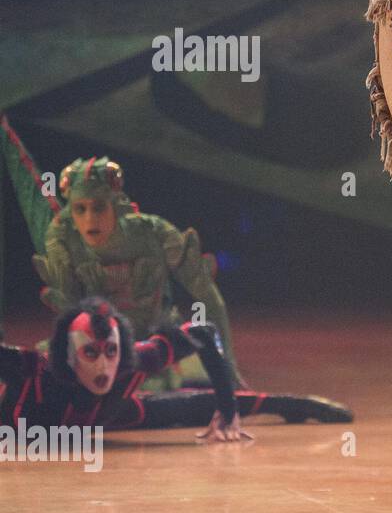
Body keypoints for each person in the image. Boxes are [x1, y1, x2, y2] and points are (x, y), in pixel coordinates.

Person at [33, 156, 245, 385]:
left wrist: (227, 367)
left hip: (161, 347)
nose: (90, 219)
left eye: (99, 207)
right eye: (80, 209)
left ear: (115, 205)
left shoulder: (155, 233)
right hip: (104, 353)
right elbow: (71, 316)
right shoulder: (64, 243)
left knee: (194, 374)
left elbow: (207, 295)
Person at [0, 299, 353, 436]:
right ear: (70, 356)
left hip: (112, 415)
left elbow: (203, 333)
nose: (105, 365)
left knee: (195, 406)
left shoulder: (134, 362)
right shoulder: (34, 370)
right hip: (28, 429)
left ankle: (294, 405)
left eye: (112, 351)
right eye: (90, 353)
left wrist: (228, 410)